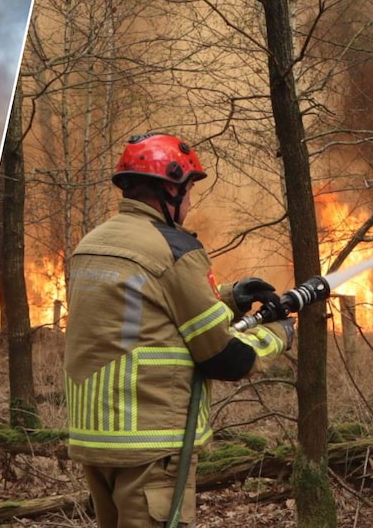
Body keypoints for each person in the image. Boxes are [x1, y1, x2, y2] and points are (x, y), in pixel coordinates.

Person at [64, 133, 295, 527]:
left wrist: (229, 297)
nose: (190, 201)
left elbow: (142, 314)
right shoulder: (172, 248)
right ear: (170, 188)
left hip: (96, 438)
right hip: (150, 444)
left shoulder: (92, 245)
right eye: (189, 190)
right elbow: (225, 358)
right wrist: (276, 335)